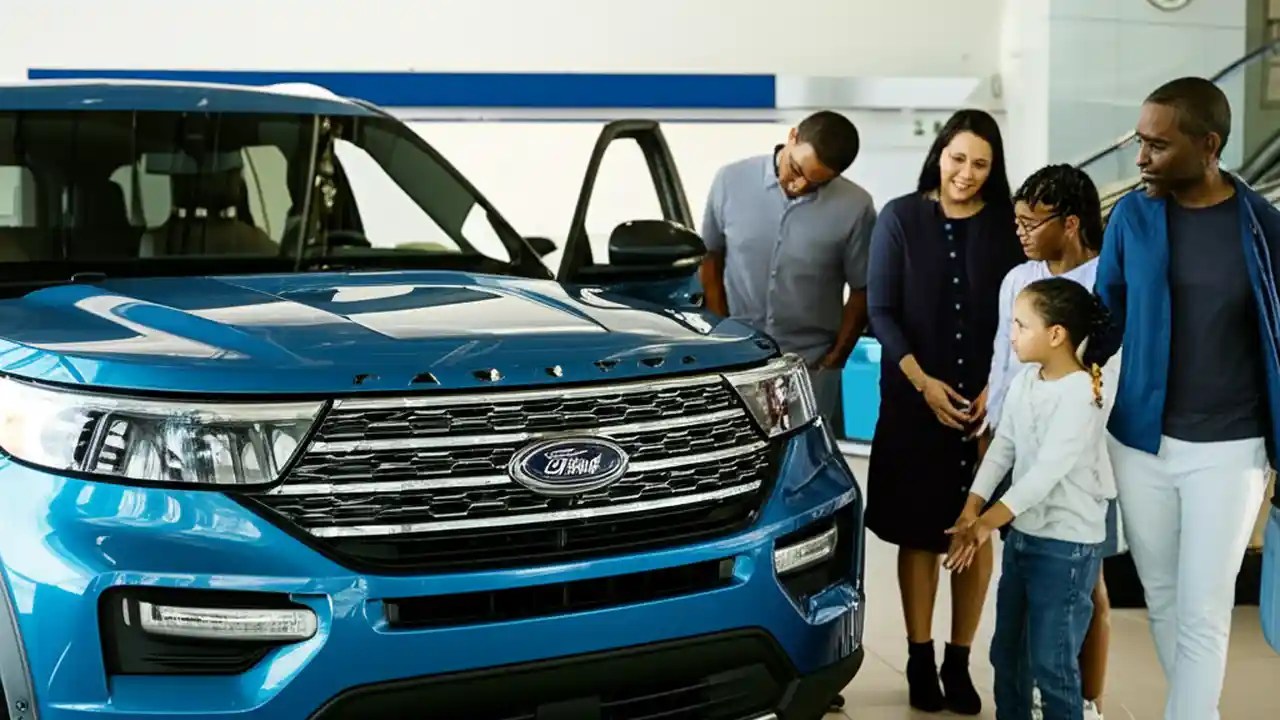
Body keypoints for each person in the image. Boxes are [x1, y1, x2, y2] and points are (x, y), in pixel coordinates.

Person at [1084, 77, 1279, 720]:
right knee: (1164, 597)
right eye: (1139, 142)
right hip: (1141, 442)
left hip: (1231, 448)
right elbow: (1105, 317)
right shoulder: (1132, 218)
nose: (1141, 158)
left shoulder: (1264, 229)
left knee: (1204, 607)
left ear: (1209, 145)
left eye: (1158, 146)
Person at [864, 108, 1024, 714]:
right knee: (919, 532)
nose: (967, 173)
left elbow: (1021, 312)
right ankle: (919, 656)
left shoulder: (1006, 225)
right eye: (958, 158)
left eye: (981, 164)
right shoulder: (900, 217)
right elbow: (881, 311)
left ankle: (959, 661)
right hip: (914, 402)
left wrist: (996, 387)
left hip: (983, 409)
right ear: (939, 155)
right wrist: (923, 384)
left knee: (973, 529)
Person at [945, 276, 1115, 720]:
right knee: (1007, 655)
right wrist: (970, 509)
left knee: (1051, 664)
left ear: (1056, 334)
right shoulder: (1024, 382)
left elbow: (1044, 475)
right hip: (1024, 539)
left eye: (1021, 325)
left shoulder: (1081, 394)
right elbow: (1003, 449)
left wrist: (985, 524)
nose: (1012, 334)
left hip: (1066, 549)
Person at [986, 164, 1116, 720]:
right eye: (1016, 221)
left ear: (1070, 223)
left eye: (1031, 223)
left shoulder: (1107, 276)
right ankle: (1037, 692)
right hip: (1022, 436)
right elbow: (1003, 359)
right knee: (1029, 580)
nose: (1021, 233)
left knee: (1087, 586)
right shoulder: (1018, 279)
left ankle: (1084, 700)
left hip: (1084, 451)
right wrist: (994, 430)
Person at [699, 110, 876, 425]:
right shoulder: (730, 180)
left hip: (810, 365)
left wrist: (835, 359)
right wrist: (719, 333)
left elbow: (863, 289)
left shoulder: (856, 206)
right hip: (734, 357)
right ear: (792, 136)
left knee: (803, 452)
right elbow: (710, 257)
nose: (799, 185)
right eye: (796, 169)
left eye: (817, 181)